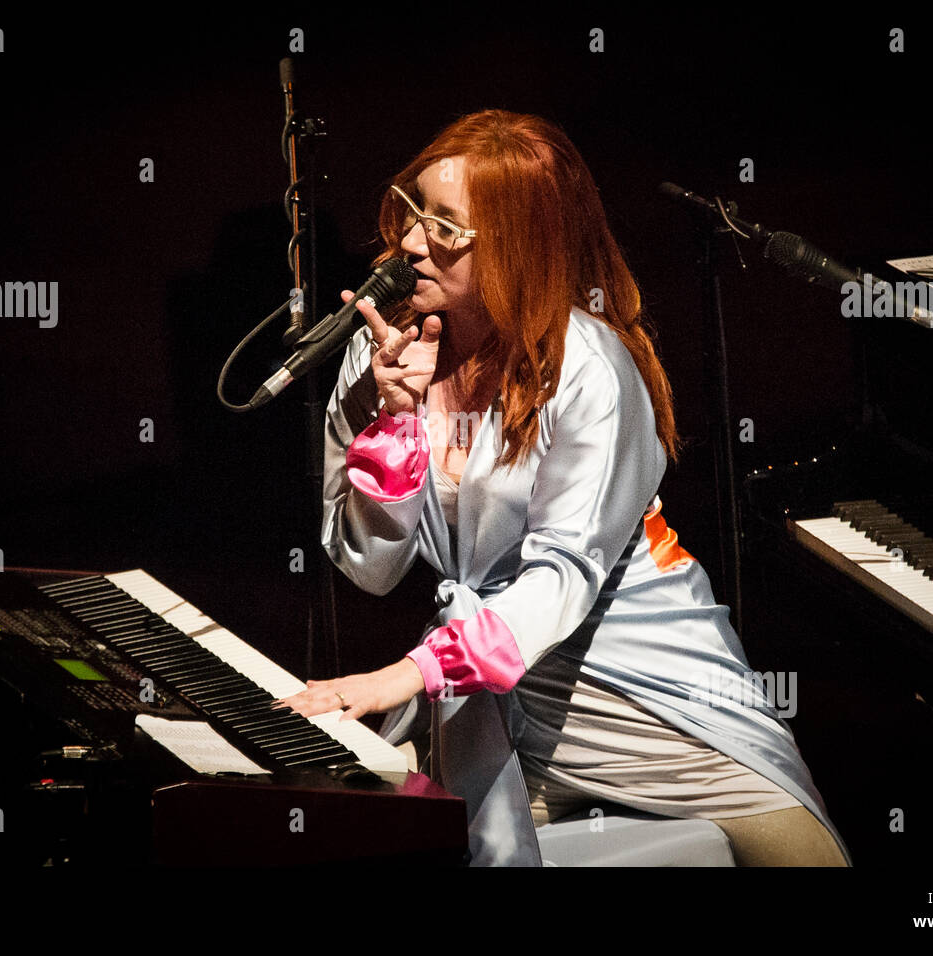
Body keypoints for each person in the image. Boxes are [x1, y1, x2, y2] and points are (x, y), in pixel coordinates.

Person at [274, 109, 849, 867]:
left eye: (444, 225)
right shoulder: (383, 351)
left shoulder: (590, 369)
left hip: (642, 691)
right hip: (499, 703)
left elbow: (559, 579)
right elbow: (370, 569)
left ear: (514, 247)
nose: (411, 242)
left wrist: (407, 675)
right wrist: (397, 422)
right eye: (412, 211)